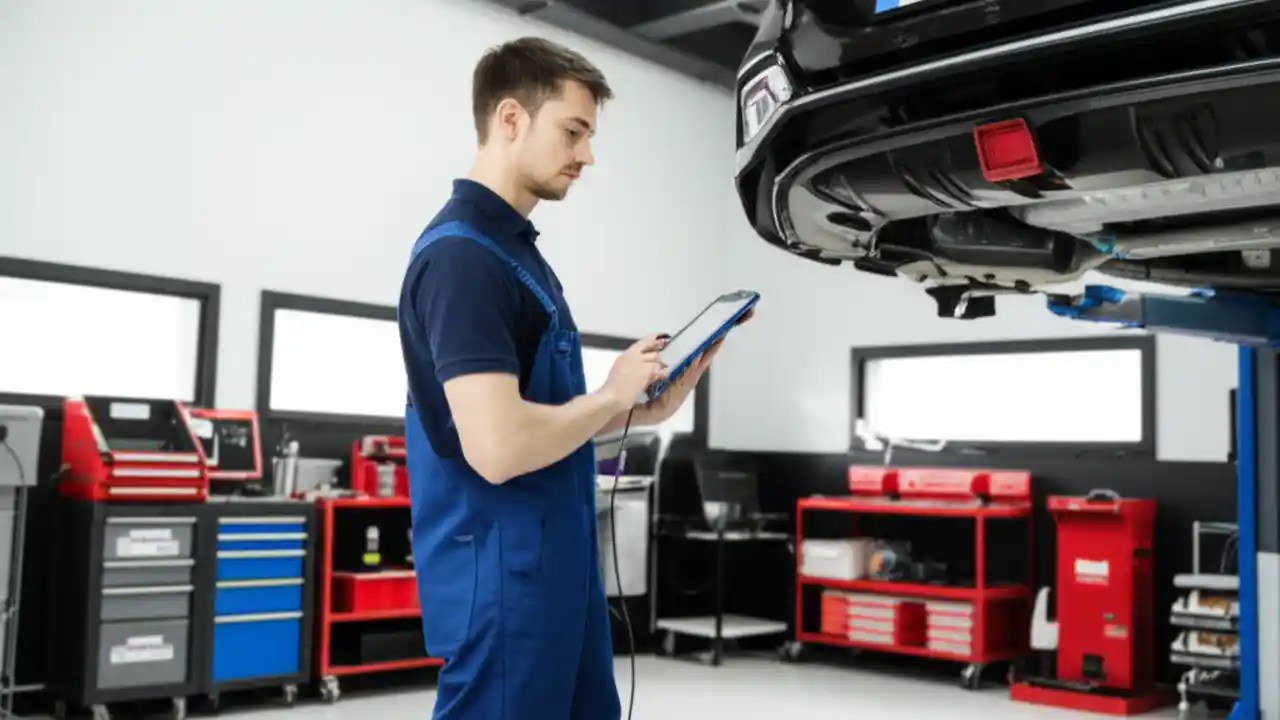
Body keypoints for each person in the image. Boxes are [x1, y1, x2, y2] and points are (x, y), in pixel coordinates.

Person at [397, 37, 742, 719]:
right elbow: (498, 448)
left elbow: (543, 419)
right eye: (574, 131)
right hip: (503, 583)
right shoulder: (464, 261)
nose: (588, 155)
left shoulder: (517, 256)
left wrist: (639, 411)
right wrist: (612, 393)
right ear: (510, 119)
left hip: (556, 573)